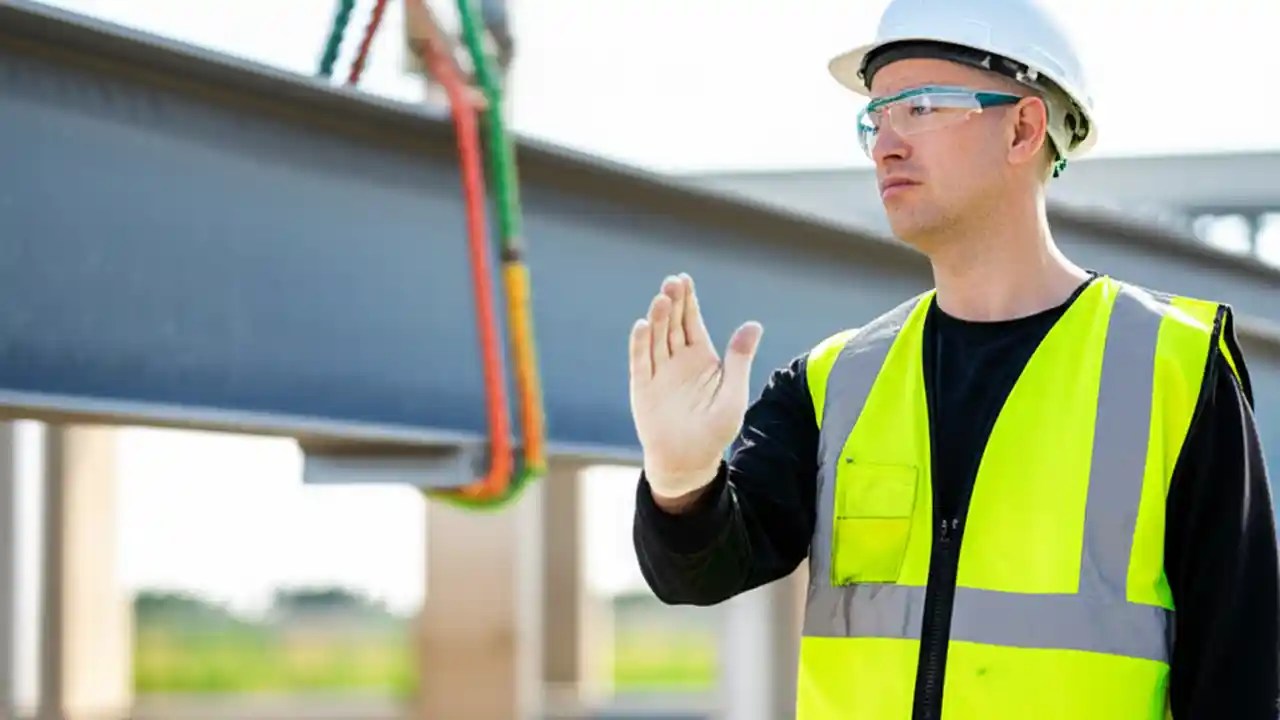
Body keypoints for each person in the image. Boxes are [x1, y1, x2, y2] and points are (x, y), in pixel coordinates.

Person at [626, 0, 1279, 718]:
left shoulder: (1175, 371)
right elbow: (701, 572)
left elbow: (1238, 679)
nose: (886, 144)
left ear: (1025, 129)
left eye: (922, 107)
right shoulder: (830, 384)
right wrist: (682, 479)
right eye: (875, 119)